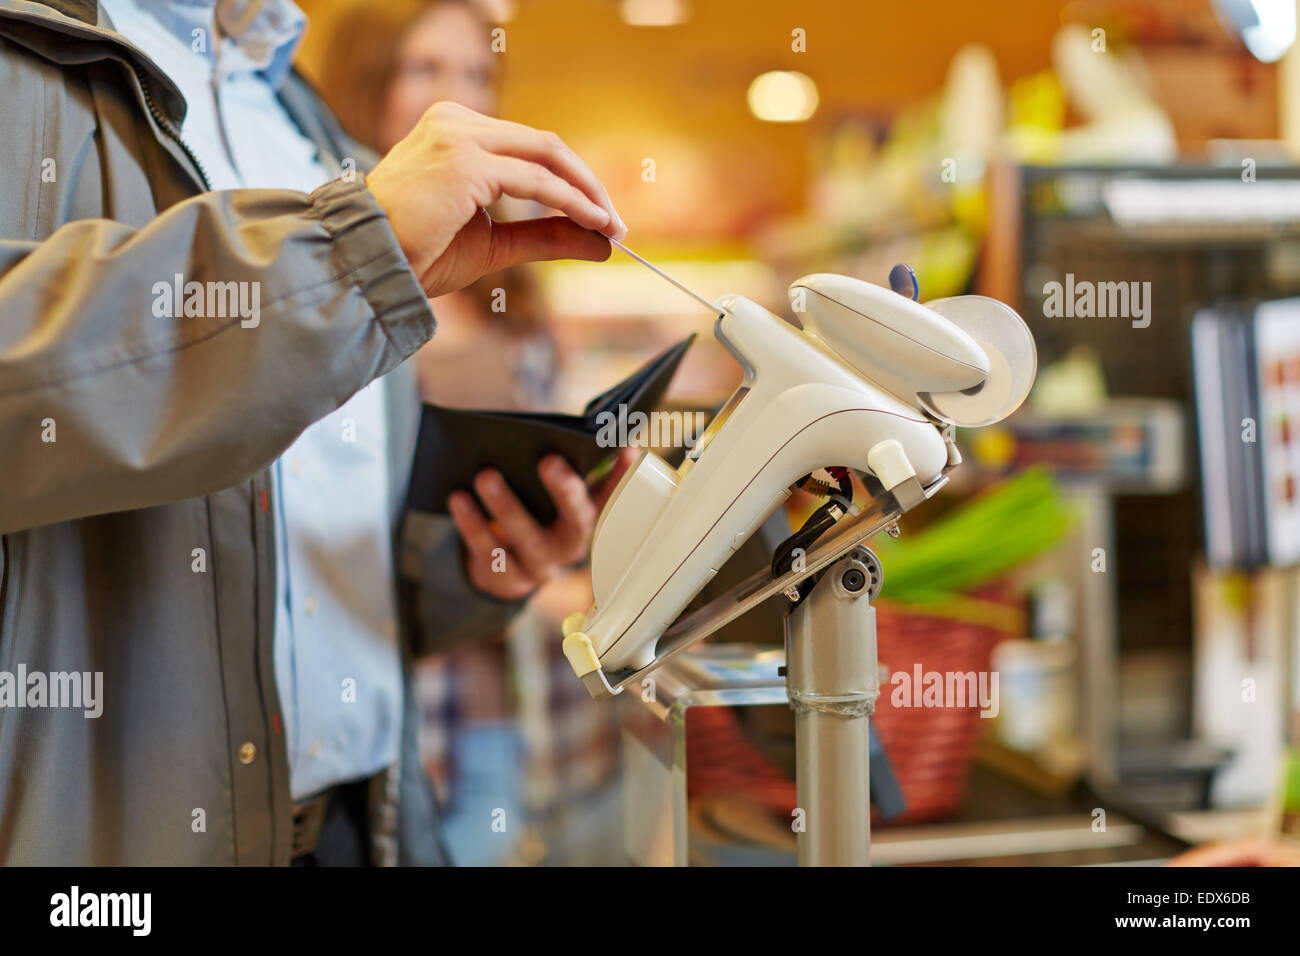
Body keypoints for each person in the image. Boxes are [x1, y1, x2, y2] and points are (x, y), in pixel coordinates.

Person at [0, 0, 629, 865]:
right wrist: (340, 260)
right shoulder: (22, 68)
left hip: (368, 825)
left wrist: (479, 564)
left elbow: (307, 566)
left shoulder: (309, 126)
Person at [310, 0, 626, 865]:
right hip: (415, 704)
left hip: (540, 703)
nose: (457, 99)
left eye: (478, 74)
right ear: (366, 88)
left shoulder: (514, 282)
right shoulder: (312, 275)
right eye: (426, 70)